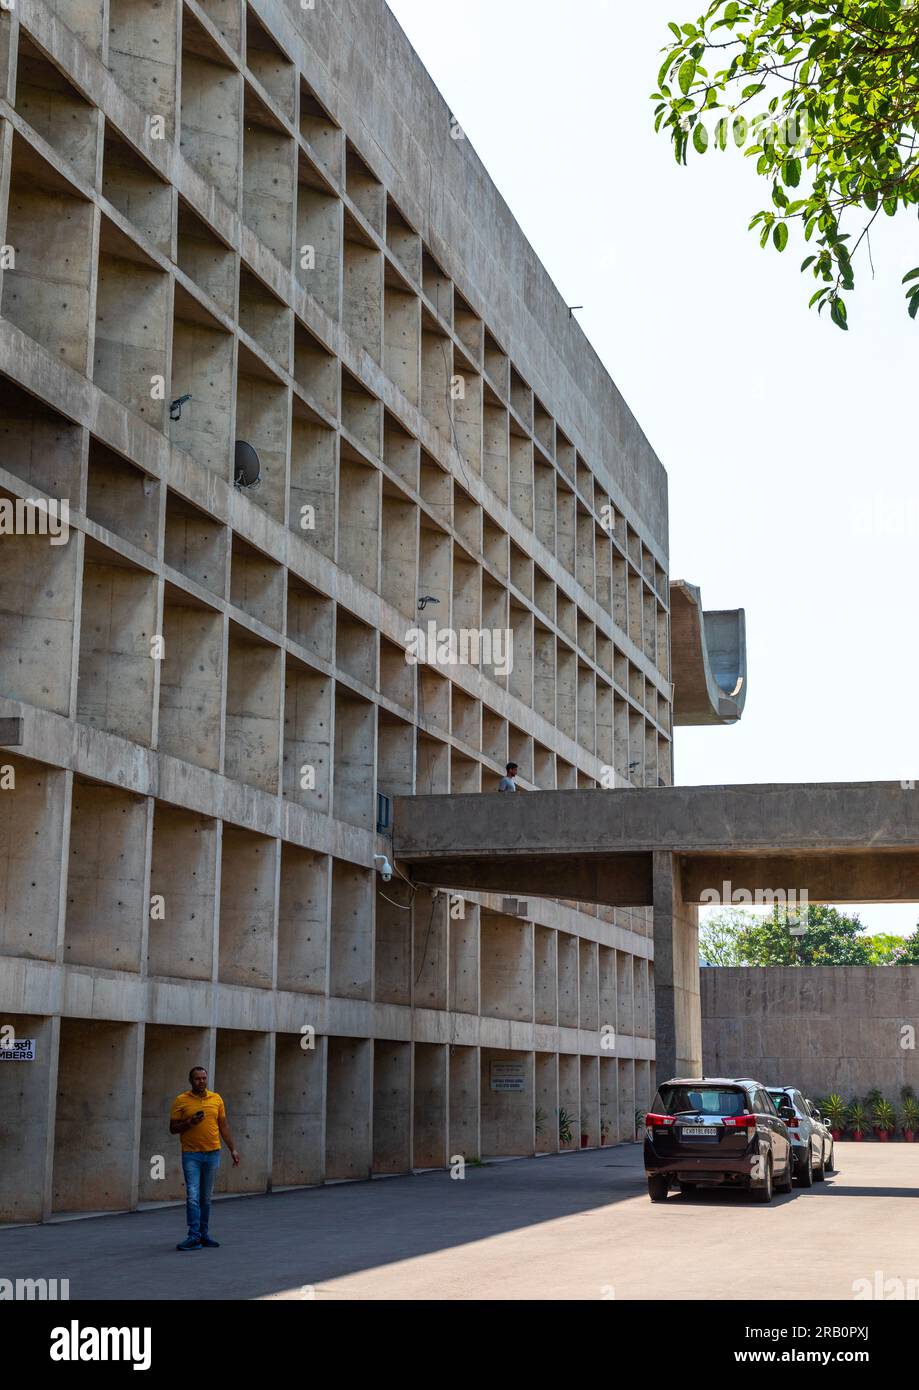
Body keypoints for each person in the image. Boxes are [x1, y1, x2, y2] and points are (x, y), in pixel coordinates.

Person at [170, 1066, 239, 1251]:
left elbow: (223, 1126)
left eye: (204, 1078)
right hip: (191, 1154)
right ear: (190, 1080)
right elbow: (173, 1128)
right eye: (197, 1078)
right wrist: (189, 1122)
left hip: (212, 1153)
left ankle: (203, 1234)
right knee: (193, 1196)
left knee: (206, 1198)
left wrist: (232, 1149)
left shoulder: (216, 1099)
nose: (201, 1081)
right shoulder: (181, 1100)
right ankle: (193, 1236)